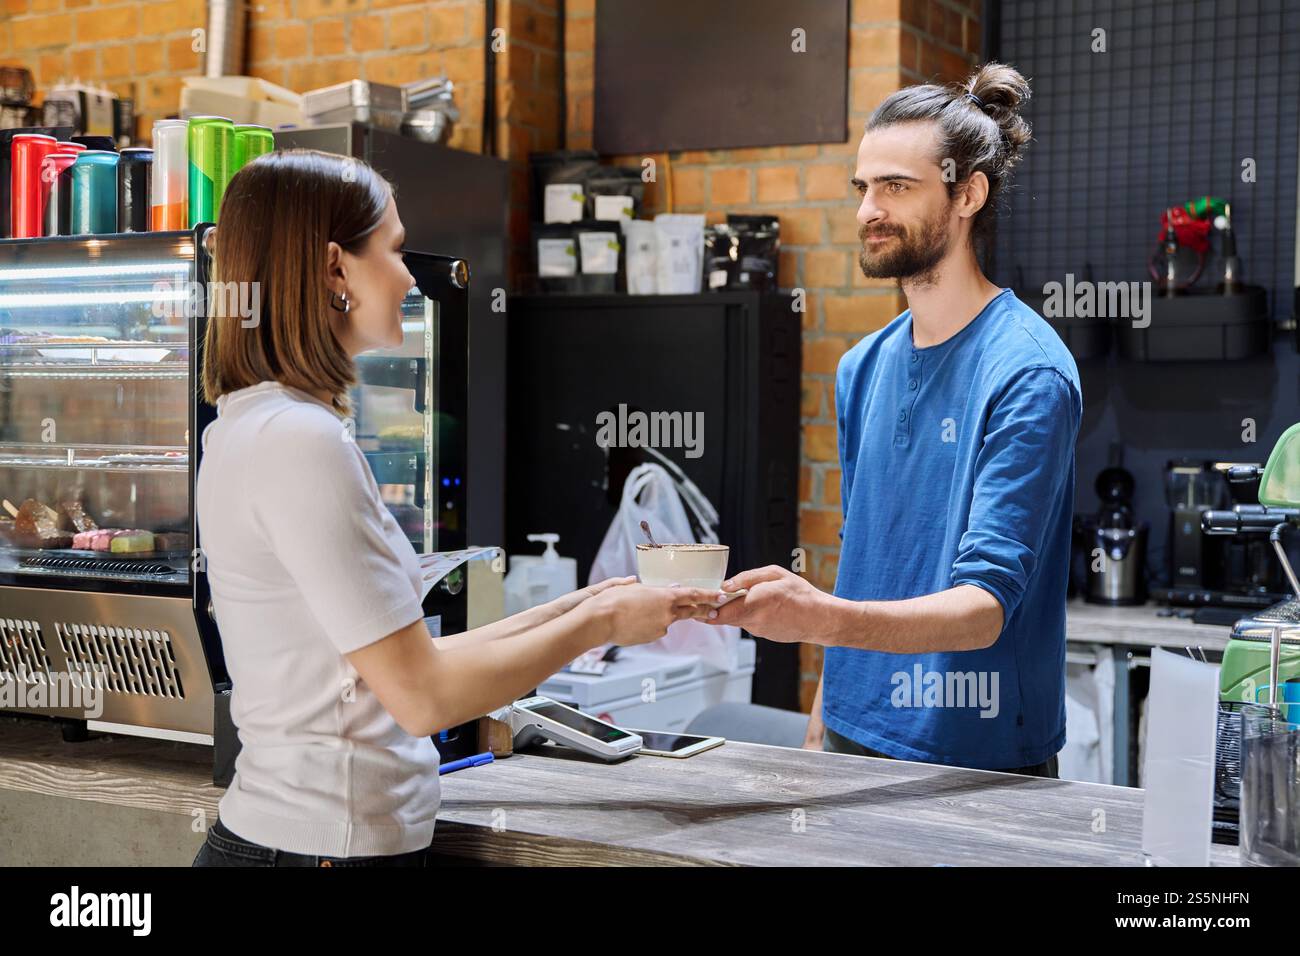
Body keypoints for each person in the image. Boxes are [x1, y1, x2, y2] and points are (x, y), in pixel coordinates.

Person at [192, 149, 718, 866]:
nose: (410, 276)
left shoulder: (251, 424)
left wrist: (585, 605)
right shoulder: (301, 442)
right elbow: (423, 698)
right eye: (396, 250)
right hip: (320, 850)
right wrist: (597, 622)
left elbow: (407, 662)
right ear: (334, 269)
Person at [710, 63, 1081, 778]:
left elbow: (984, 608)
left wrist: (815, 618)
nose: (868, 211)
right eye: (863, 188)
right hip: (854, 726)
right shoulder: (862, 367)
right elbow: (865, 549)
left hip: (974, 751)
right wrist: (826, 702)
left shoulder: (1027, 372)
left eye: (897, 187)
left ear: (967, 193)